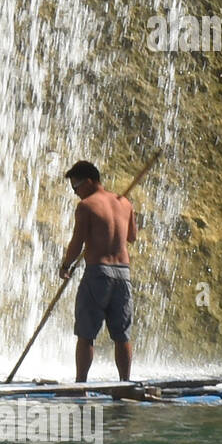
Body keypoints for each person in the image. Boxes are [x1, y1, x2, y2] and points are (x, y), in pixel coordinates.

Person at [61, 160, 137, 382]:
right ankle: (125, 383)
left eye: (76, 187)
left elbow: (77, 242)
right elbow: (132, 237)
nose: (76, 193)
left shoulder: (86, 206)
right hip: (123, 273)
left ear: (91, 181)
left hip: (98, 273)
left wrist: (65, 265)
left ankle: (80, 385)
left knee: (86, 335)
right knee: (122, 336)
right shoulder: (125, 203)